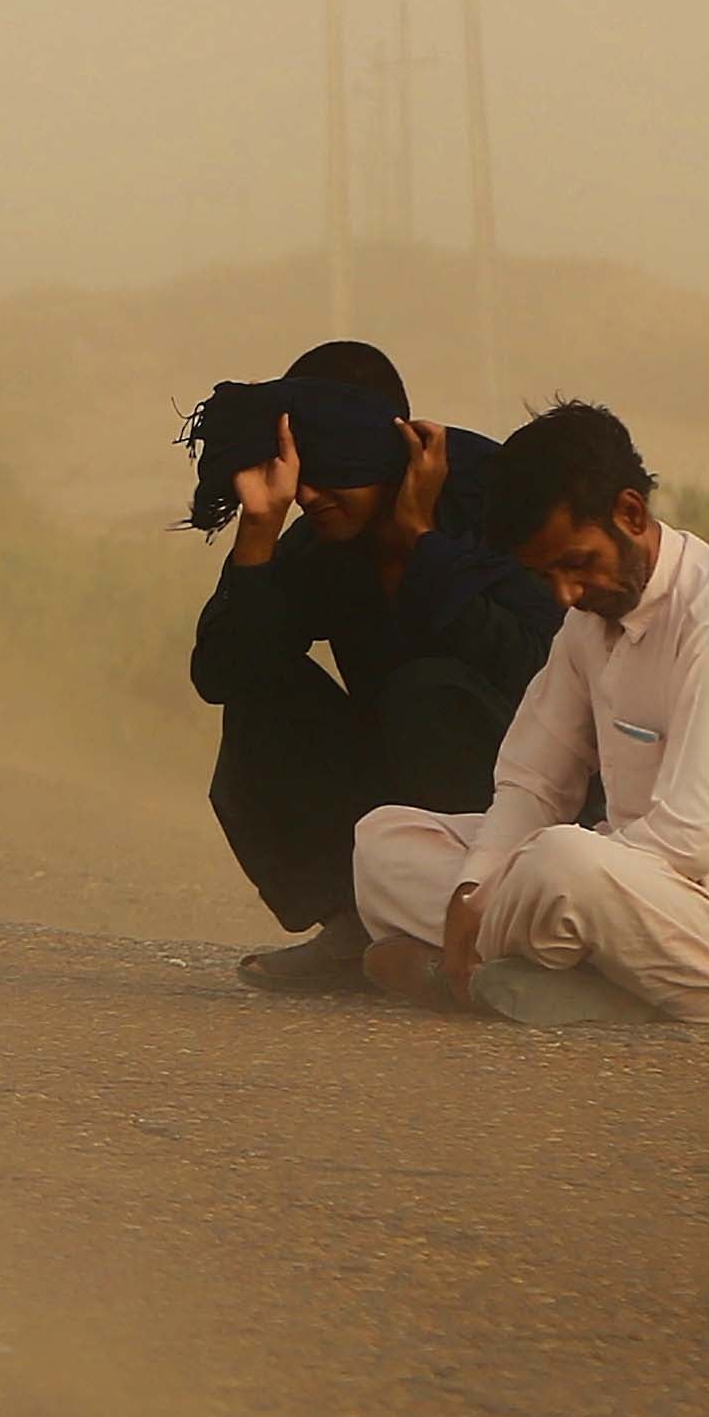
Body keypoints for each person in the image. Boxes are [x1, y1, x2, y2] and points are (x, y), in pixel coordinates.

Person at [348, 400, 709, 1026]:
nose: (564, 594)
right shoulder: (588, 623)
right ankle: (540, 980)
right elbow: (534, 780)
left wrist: (515, 884)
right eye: (546, 574)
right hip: (621, 886)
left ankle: (474, 973)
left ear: (630, 513)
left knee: (562, 863)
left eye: (577, 564)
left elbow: (689, 843)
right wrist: (472, 889)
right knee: (382, 844)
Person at [184, 342, 572, 994]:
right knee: (264, 685)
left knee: (426, 691)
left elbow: (542, 670)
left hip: (528, 803)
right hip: (394, 796)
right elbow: (222, 674)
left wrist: (424, 550)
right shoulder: (326, 542)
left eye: (329, 467)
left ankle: (462, 928)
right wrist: (257, 529)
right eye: (299, 466)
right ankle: (354, 923)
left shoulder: (493, 518)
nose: (309, 492)